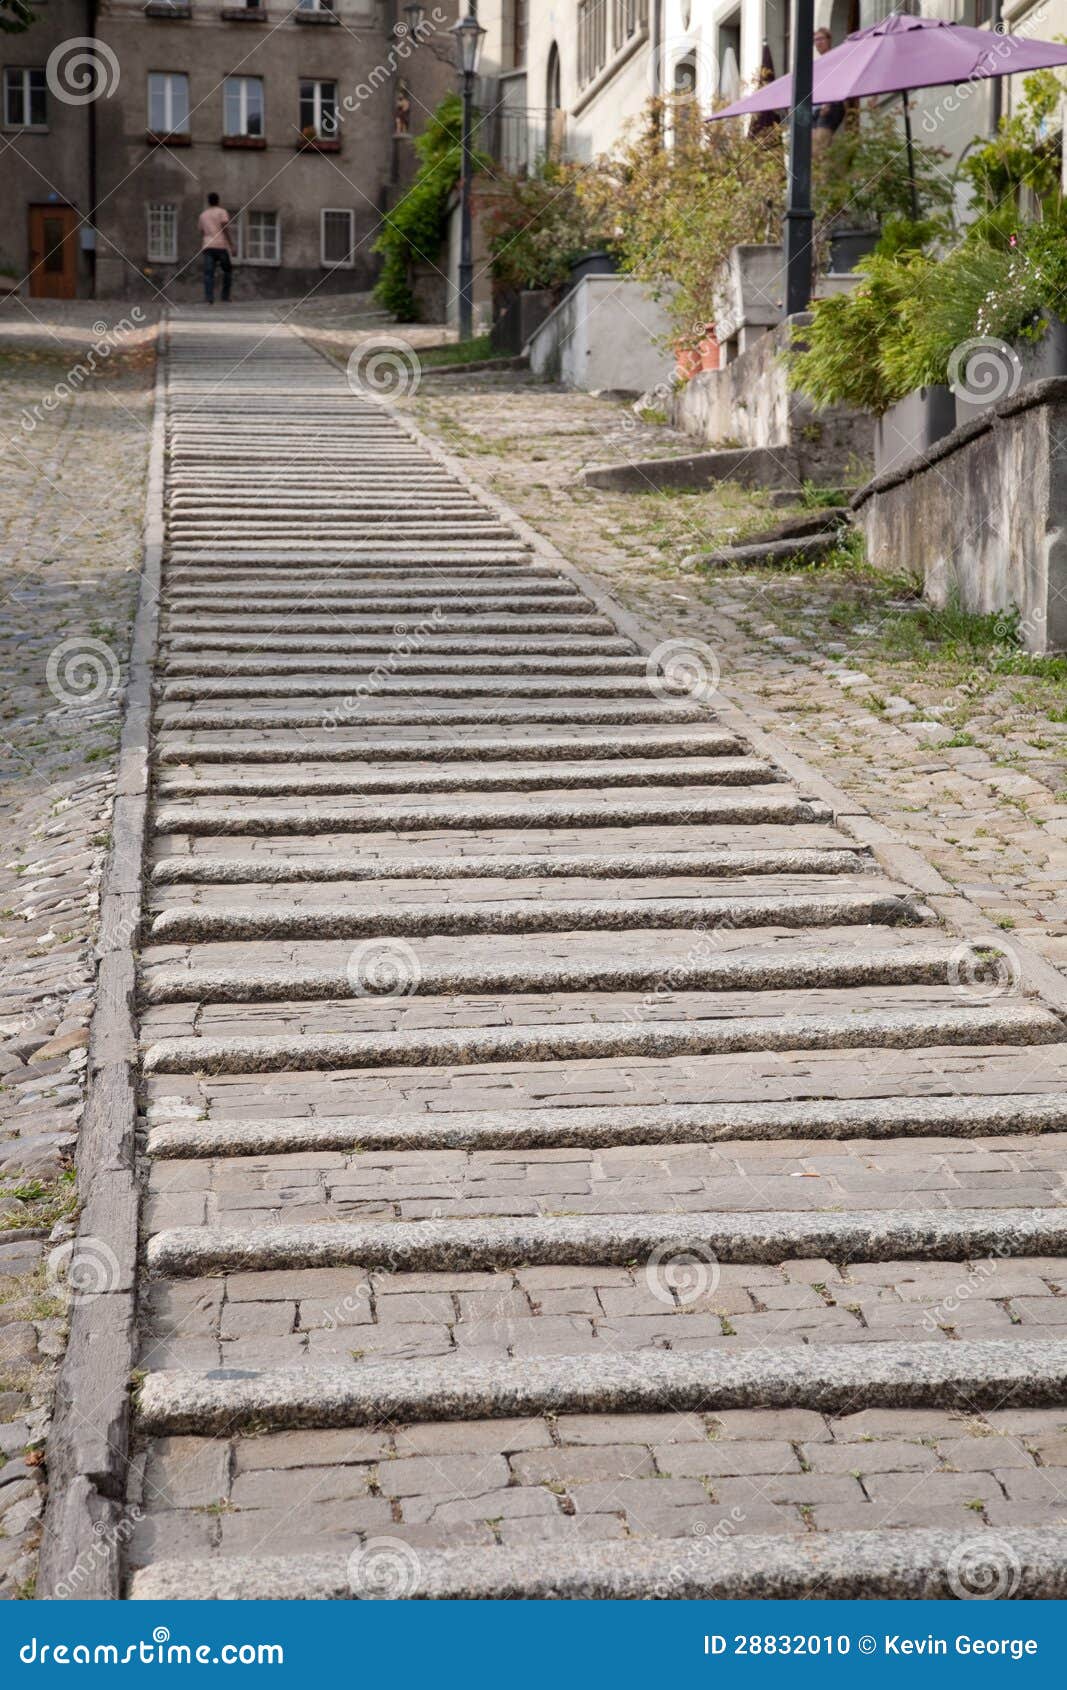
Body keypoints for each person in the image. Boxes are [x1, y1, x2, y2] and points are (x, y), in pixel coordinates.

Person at [812, 26, 845, 154]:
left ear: (829, 40)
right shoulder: (818, 63)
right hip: (816, 108)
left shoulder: (835, 59)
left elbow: (838, 82)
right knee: (812, 150)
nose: (818, 43)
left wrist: (828, 102)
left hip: (831, 105)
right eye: (816, 40)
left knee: (819, 148)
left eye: (821, 39)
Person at [199, 192, 234, 304]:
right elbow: (225, 228)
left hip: (208, 246)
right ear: (218, 201)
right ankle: (225, 296)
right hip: (221, 245)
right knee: (227, 271)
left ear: (208, 202)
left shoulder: (203, 215)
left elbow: (202, 231)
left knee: (208, 273)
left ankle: (209, 297)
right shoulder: (222, 212)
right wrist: (231, 245)